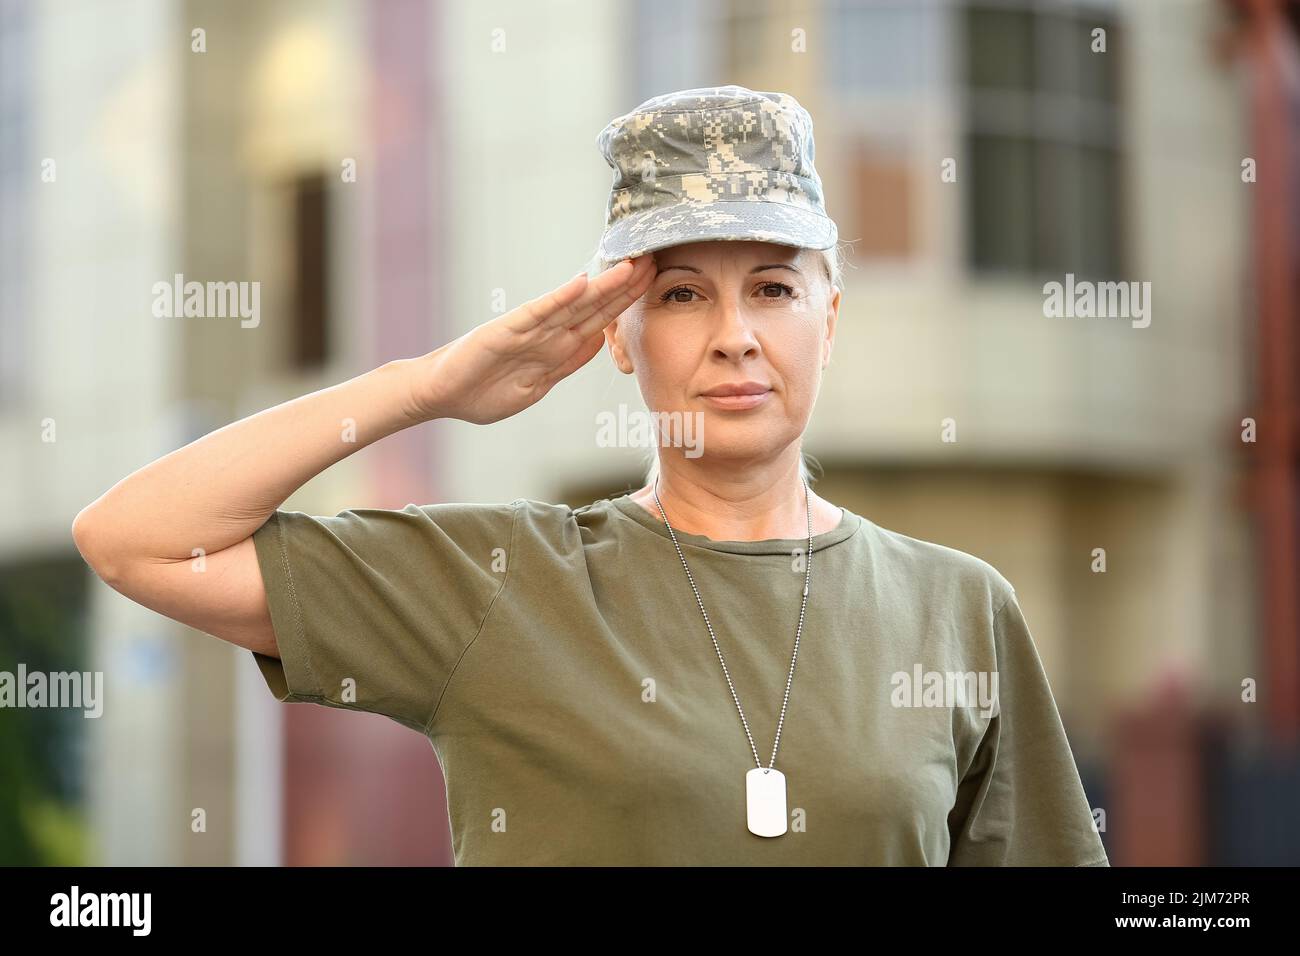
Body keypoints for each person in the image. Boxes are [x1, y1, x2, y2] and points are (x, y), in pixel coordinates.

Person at [71, 85, 1109, 866]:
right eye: (682, 294)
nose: (735, 337)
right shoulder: (498, 581)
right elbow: (135, 539)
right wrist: (425, 385)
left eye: (775, 286)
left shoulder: (958, 609)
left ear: (828, 320)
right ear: (618, 334)